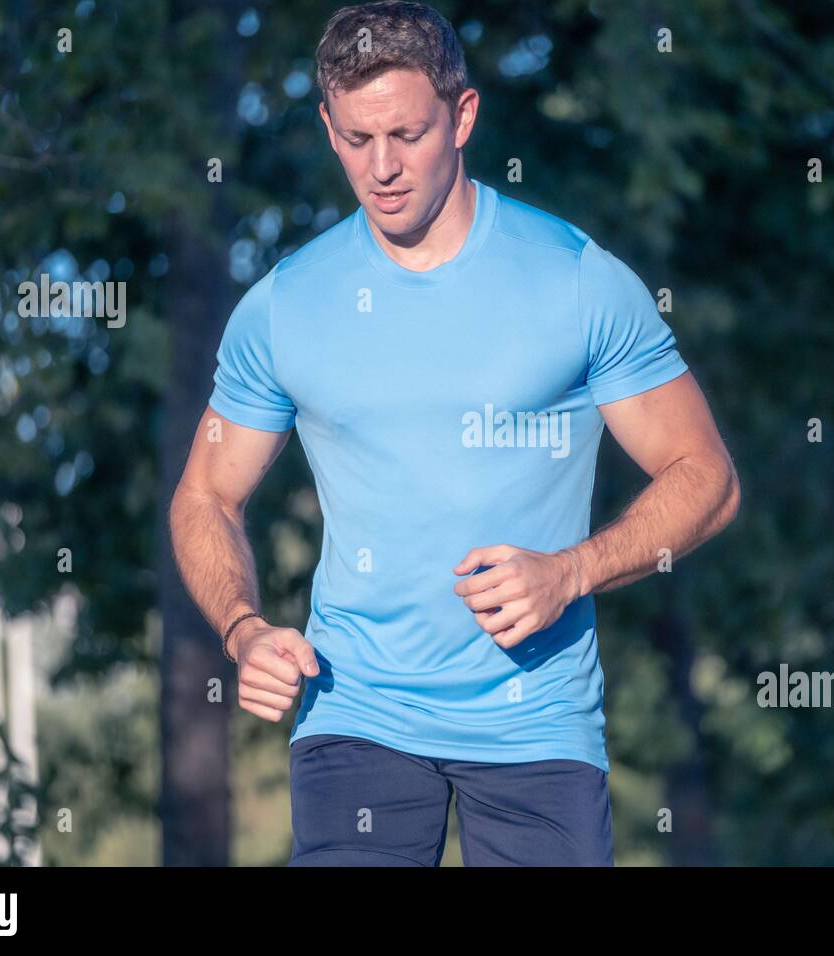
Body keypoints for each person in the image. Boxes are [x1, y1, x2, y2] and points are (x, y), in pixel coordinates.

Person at [169, 0, 740, 867]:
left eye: (407, 133)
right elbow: (207, 494)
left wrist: (571, 571)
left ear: (463, 116)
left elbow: (706, 474)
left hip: (537, 724)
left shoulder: (577, 281)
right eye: (357, 141)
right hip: (355, 714)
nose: (384, 167)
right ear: (327, 128)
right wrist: (244, 631)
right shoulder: (287, 305)